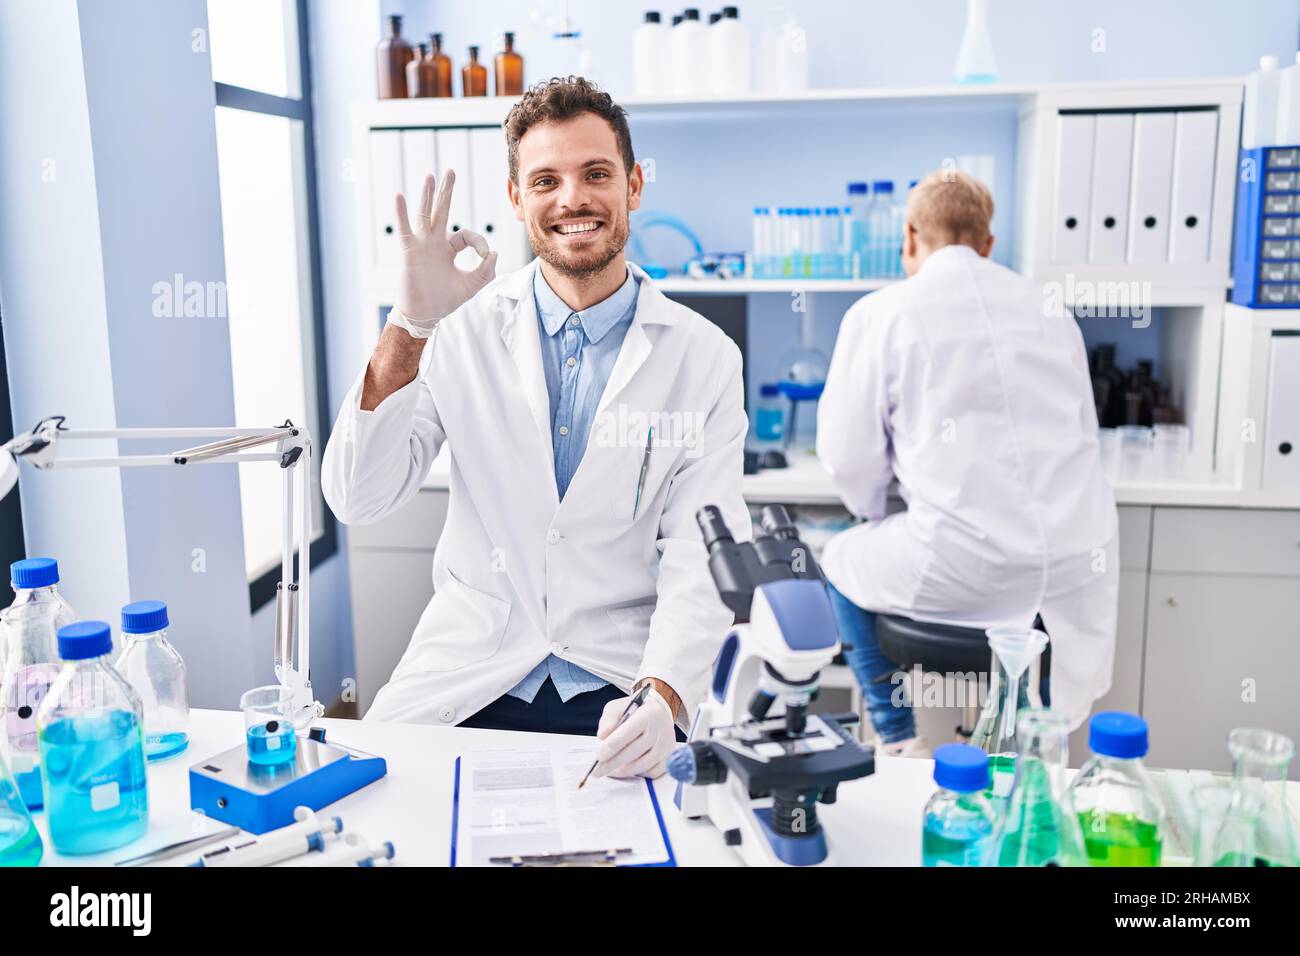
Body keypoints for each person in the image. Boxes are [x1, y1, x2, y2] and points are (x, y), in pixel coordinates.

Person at [322, 77, 749, 780]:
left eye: (596, 174)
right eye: (546, 179)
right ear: (517, 199)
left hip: (622, 685)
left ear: (634, 185)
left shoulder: (702, 356)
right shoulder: (457, 332)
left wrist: (666, 691)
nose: (573, 199)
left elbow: (699, 554)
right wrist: (409, 325)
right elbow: (357, 496)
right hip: (472, 672)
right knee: (385, 812)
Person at [817, 170, 1119, 755]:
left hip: (963, 565)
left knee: (839, 558)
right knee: (1037, 645)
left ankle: (898, 737)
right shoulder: (1052, 310)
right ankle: (1032, 745)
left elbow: (849, 461)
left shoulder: (882, 312)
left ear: (909, 238)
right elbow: (1086, 433)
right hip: (1078, 560)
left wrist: (872, 510)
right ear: (988, 243)